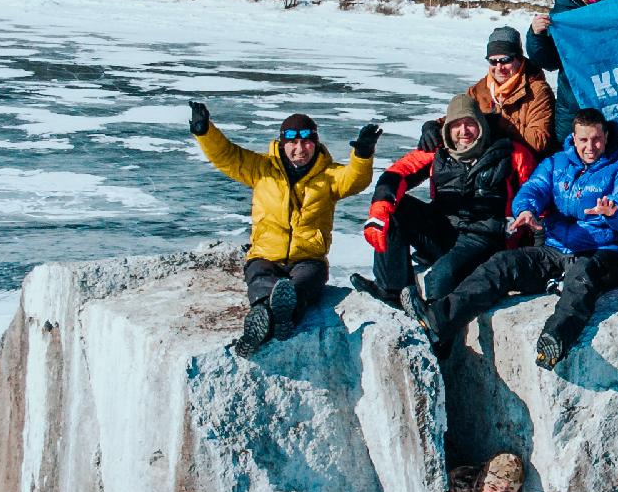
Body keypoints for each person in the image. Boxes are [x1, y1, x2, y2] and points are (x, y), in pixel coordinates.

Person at [428, 108, 618, 371]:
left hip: (606, 250)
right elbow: (533, 189)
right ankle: (437, 320)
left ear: (606, 136)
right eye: (584, 140)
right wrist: (527, 210)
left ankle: (555, 338)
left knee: (582, 275)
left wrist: (614, 212)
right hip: (556, 248)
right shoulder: (556, 163)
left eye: (597, 139)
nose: (590, 147)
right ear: (573, 138)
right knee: (502, 263)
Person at [188, 101, 379, 354]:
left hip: (308, 259)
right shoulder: (262, 169)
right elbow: (227, 156)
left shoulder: (329, 176)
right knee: (260, 280)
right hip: (265, 255)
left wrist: (363, 154)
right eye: (293, 142)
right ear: (282, 143)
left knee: (302, 286)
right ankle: (268, 316)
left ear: (315, 143)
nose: (300, 148)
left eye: (306, 141)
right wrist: (205, 131)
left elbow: (355, 179)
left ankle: (264, 321)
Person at [354, 94, 537, 313]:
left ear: (481, 124)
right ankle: (392, 289)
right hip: (443, 230)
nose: (464, 131)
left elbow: (535, 196)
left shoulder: (512, 154)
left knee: (440, 277)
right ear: (448, 128)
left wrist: (532, 253)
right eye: (456, 125)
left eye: (470, 123)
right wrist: (379, 209)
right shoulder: (439, 151)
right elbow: (397, 174)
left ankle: (435, 323)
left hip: (485, 238)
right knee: (394, 210)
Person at [470, 26, 558, 158]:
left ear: (519, 58)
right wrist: (439, 126)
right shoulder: (480, 89)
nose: (499, 67)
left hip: (524, 162)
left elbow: (539, 141)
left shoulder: (538, 91)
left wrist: (502, 123)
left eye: (505, 60)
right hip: (488, 160)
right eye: (493, 61)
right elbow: (459, 115)